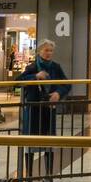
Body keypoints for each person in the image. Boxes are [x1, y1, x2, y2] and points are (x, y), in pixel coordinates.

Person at [16, 41, 68, 173]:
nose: (49, 53)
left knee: (49, 142)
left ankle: (49, 174)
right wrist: (35, 77)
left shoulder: (56, 67)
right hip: (34, 110)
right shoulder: (32, 67)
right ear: (39, 51)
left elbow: (66, 84)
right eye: (46, 50)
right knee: (31, 142)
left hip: (49, 110)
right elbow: (17, 82)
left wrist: (58, 93)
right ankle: (29, 174)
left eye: (51, 50)